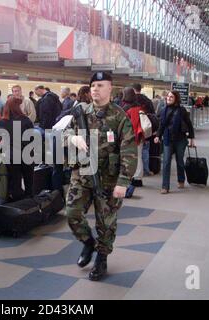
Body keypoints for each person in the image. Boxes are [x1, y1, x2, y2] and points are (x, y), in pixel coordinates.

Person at [65, 72, 137, 281]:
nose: (95, 89)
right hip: (82, 176)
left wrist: (123, 182)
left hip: (108, 179)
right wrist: (74, 138)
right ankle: (88, 243)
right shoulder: (80, 112)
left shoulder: (119, 117)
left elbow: (129, 151)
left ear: (110, 89)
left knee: (105, 222)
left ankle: (102, 258)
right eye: (93, 85)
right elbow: (65, 133)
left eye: (100, 85)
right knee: (72, 213)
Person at [155, 90, 195, 194]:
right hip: (168, 138)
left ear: (176, 98)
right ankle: (165, 186)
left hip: (180, 139)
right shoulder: (164, 110)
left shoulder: (182, 110)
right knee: (166, 162)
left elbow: (189, 124)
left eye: (171, 97)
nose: (169, 98)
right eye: (168, 97)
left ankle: (181, 179)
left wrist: (191, 138)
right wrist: (158, 136)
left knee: (180, 161)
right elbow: (162, 125)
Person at [0, 98, 35, 201]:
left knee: (14, 181)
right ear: (18, 107)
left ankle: (16, 204)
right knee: (28, 180)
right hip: (26, 154)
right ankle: (29, 203)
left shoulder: (2, 122)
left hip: (10, 155)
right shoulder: (26, 121)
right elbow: (32, 138)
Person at [121, 87, 145, 189]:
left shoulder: (125, 108)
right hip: (139, 135)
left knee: (128, 158)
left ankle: (131, 177)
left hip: (129, 137)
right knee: (139, 157)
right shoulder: (139, 107)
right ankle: (138, 178)